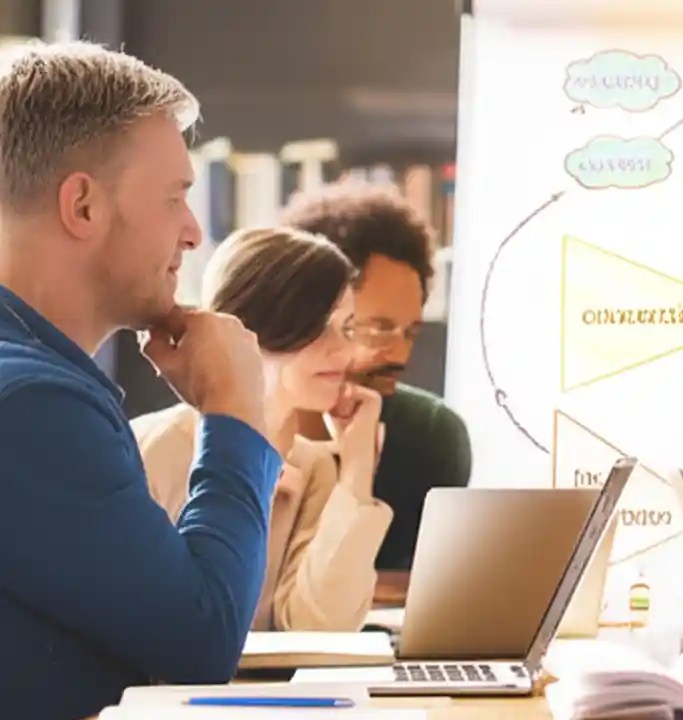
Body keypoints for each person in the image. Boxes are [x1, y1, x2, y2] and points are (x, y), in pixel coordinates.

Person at [0, 41, 281, 718]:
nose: (193, 232)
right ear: (84, 207)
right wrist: (235, 414)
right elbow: (201, 644)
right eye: (176, 198)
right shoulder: (33, 405)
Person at [132, 227, 391, 632]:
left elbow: (319, 631)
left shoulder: (316, 470)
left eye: (348, 327)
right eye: (319, 327)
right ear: (250, 327)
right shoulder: (159, 451)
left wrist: (357, 470)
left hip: (265, 696)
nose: (344, 351)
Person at [278, 184, 472, 596]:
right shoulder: (229, 432)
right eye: (378, 328)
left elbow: (435, 591)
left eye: (410, 332)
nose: (399, 353)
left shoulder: (431, 435)